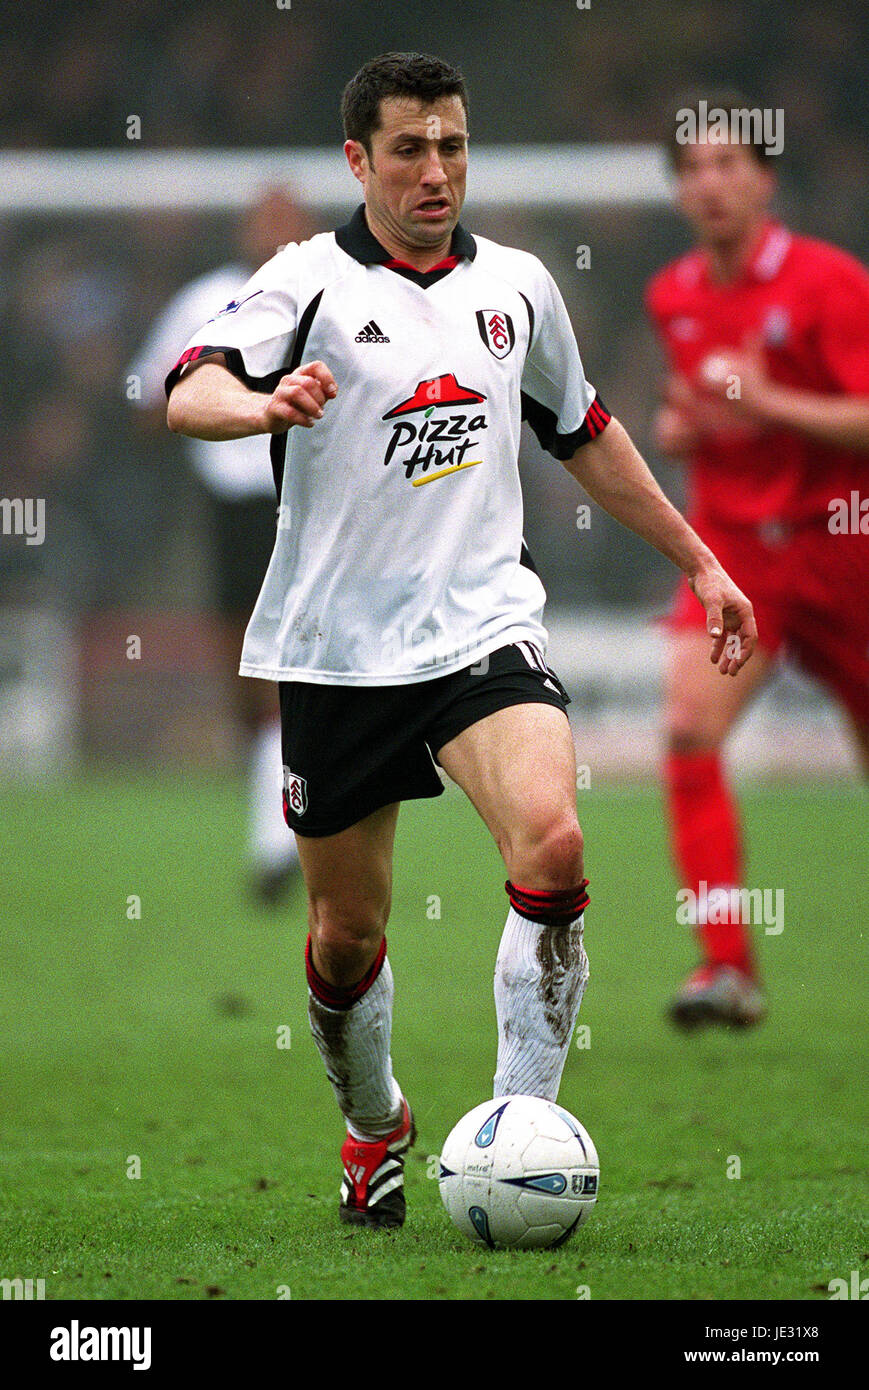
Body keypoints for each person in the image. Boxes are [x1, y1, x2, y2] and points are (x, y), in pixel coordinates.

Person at [165, 53, 755, 1230]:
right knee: (345, 940)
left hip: (482, 623)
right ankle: (376, 1122)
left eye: (451, 147)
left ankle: (514, 1137)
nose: (435, 172)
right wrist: (263, 404)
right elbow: (190, 390)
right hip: (337, 649)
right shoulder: (307, 280)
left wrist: (698, 559)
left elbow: (582, 432)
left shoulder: (522, 286)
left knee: (551, 842)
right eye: (407, 151)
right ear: (357, 160)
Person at [646, 91, 869, 1030]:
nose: (710, 184)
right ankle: (725, 967)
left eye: (727, 164)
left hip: (844, 546)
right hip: (735, 557)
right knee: (688, 733)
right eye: (692, 169)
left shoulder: (829, 282)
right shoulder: (674, 294)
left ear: (764, 177)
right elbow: (696, 414)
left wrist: (765, 399)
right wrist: (682, 424)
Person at [129, 190, 315, 903]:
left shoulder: (323, 297)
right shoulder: (204, 301)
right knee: (242, 676)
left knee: (282, 674)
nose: (273, 233)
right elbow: (151, 401)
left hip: (298, 503)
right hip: (226, 508)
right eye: (262, 220)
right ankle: (280, 806)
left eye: (286, 221)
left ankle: (276, 843)